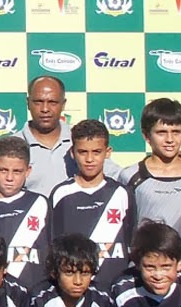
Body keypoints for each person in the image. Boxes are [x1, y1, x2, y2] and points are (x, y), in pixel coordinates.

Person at [0, 75, 120, 197]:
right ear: (28, 103)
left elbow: (119, 177)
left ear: (63, 104)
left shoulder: (80, 141)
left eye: (52, 102)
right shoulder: (10, 145)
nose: (45, 109)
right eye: (38, 102)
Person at [117, 98, 181, 266]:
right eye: (161, 132)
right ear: (146, 135)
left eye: (176, 132)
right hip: (147, 274)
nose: (170, 139)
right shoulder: (129, 177)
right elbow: (124, 237)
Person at [48, 120, 135, 291]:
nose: (89, 159)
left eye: (96, 152)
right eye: (82, 152)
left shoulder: (122, 193)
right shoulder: (60, 194)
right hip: (76, 292)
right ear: (72, 153)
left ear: (108, 152)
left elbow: (131, 242)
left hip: (115, 290)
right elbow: (53, 246)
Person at [0, 136, 50, 290]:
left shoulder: (41, 203)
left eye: (17, 171)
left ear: (28, 171)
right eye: (3, 170)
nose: (9, 178)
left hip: (36, 295)